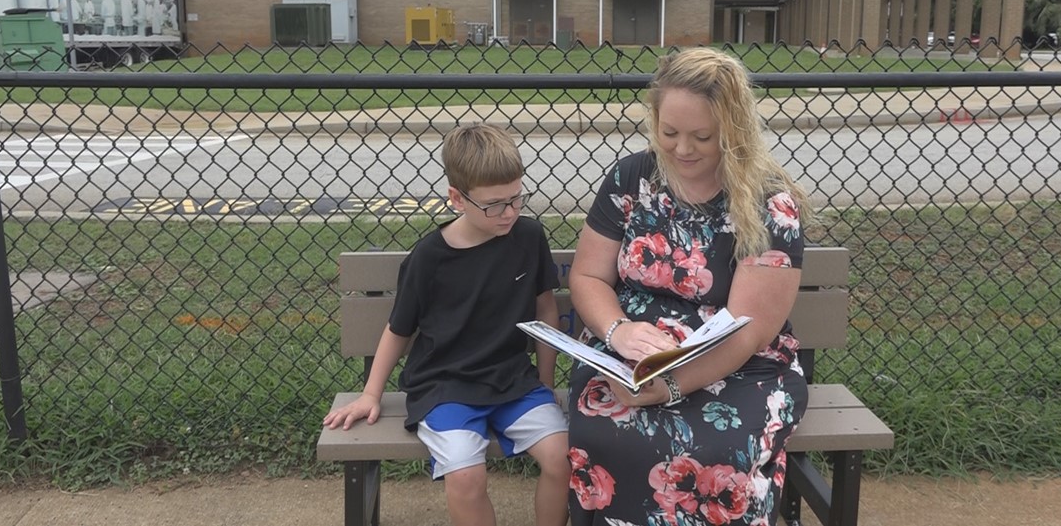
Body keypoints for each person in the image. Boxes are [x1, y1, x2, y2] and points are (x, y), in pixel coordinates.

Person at [566, 48, 811, 526]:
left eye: (703, 136)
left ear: (733, 130)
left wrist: (673, 386)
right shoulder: (630, 178)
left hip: (738, 365)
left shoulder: (768, 202)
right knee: (602, 434)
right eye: (669, 133)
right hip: (631, 359)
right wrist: (617, 331)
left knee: (719, 452)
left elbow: (750, 331)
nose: (682, 150)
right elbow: (588, 276)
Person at [322, 123, 570, 526]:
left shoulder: (528, 236)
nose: (508, 212)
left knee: (563, 457)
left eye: (516, 199)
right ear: (457, 198)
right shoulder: (429, 258)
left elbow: (545, 310)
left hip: (513, 382)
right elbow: (398, 329)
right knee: (466, 477)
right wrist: (372, 393)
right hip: (444, 388)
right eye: (493, 204)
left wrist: (545, 380)